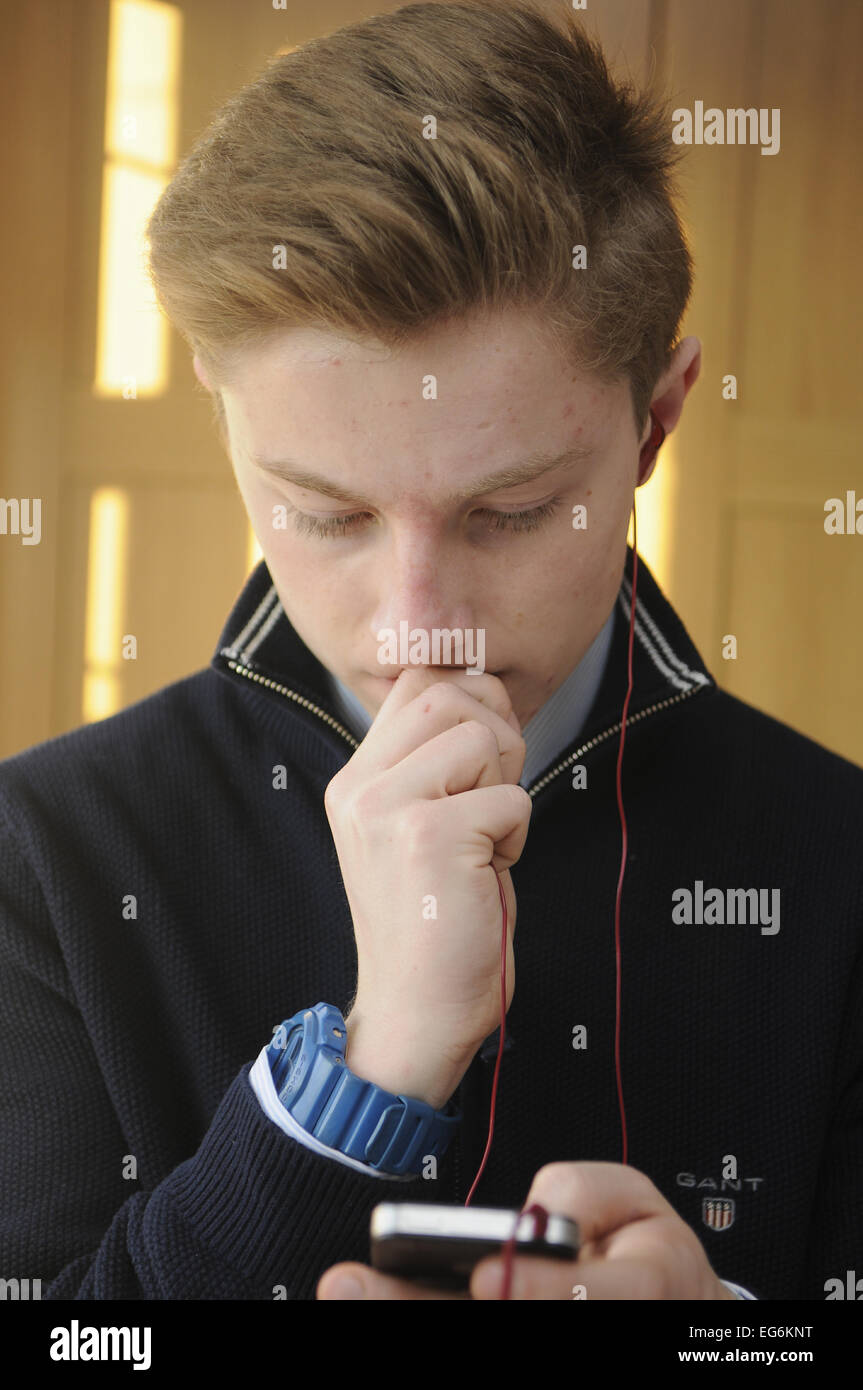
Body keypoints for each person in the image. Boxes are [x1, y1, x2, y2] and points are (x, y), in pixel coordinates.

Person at [1, 0, 860, 1303]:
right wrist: (369, 1072)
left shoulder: (845, 868)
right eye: (325, 510)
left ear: (656, 425)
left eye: (510, 511)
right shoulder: (35, 856)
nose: (418, 626)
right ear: (226, 424)